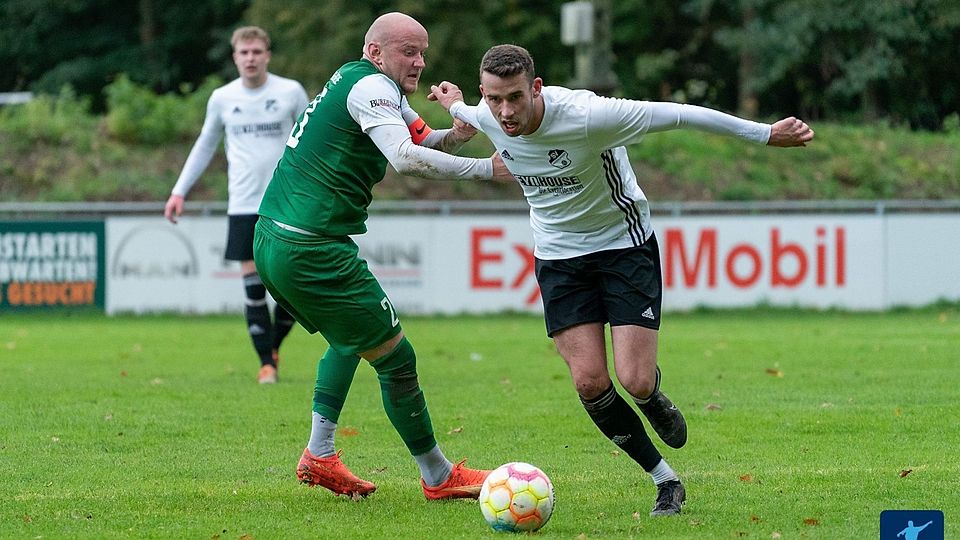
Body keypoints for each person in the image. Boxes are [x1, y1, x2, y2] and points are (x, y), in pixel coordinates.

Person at [428, 44, 814, 516]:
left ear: (536, 88)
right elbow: (460, 108)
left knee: (633, 379)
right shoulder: (485, 113)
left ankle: (651, 394)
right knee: (590, 382)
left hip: (623, 246)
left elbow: (680, 114)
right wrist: (451, 102)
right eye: (494, 99)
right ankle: (665, 480)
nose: (505, 112)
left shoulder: (590, 115)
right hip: (558, 257)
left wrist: (764, 134)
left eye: (514, 98)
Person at [253, 13, 512, 499]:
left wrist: (457, 132)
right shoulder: (372, 88)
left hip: (277, 236)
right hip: (311, 245)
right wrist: (484, 169)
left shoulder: (366, 84)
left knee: (349, 340)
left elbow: (422, 141)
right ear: (375, 53)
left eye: (423, 52)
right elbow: (405, 158)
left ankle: (320, 454)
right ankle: (438, 476)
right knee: (397, 358)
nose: (419, 62)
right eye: (408, 52)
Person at [164, 26, 309, 384]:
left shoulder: (290, 92)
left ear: (267, 55)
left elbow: (313, 140)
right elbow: (204, 145)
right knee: (253, 284)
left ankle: (272, 346)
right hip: (243, 203)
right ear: (235, 57)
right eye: (244, 53)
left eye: (257, 52)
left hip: (287, 202)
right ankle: (267, 365)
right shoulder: (222, 98)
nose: (250, 58)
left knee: (292, 288)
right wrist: (179, 191)